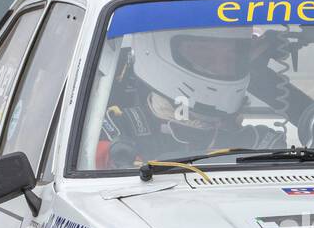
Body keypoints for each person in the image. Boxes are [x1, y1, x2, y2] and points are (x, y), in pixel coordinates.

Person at [100, 27, 283, 166]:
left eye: (231, 59)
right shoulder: (117, 136)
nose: (221, 68)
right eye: (205, 58)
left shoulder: (257, 142)